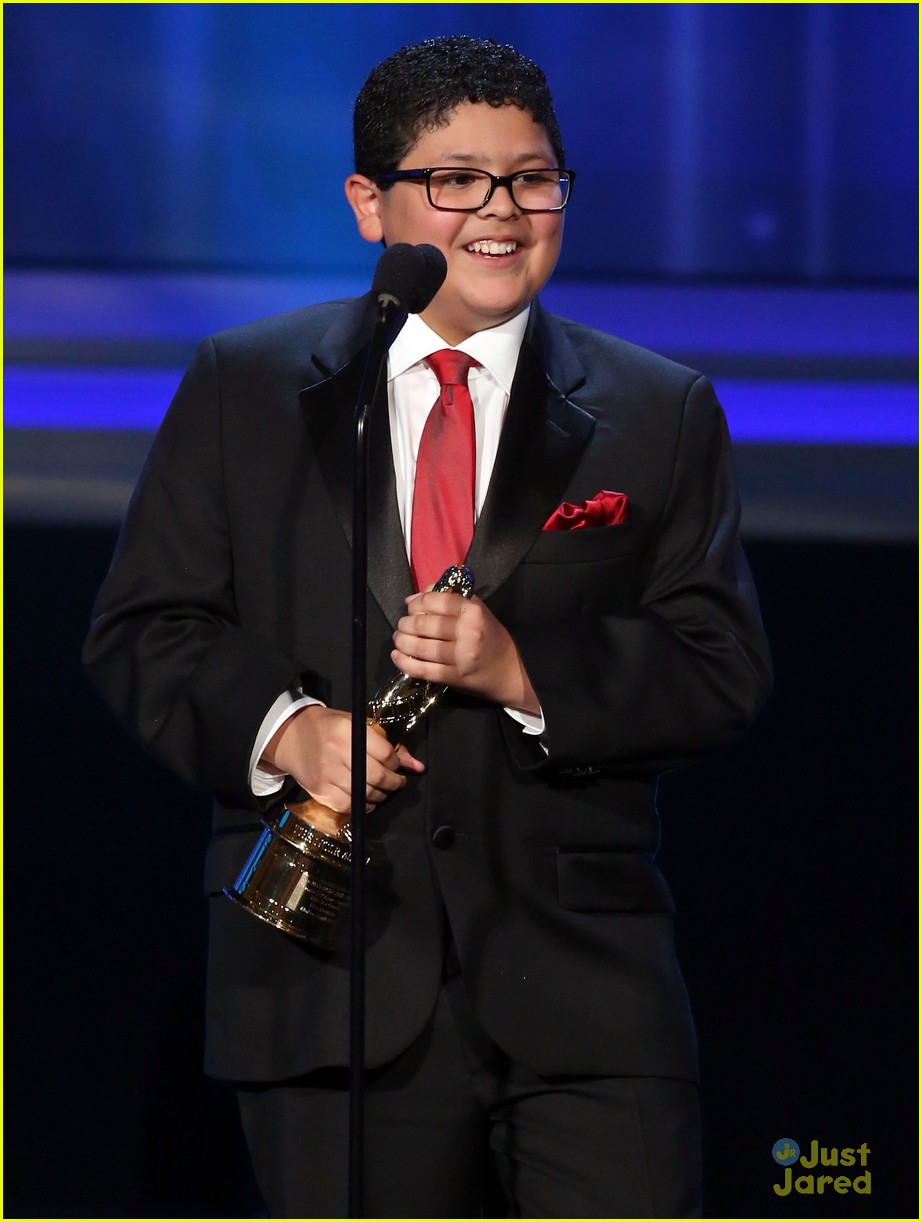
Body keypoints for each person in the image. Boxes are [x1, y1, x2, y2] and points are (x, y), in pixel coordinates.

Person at [84, 35, 772, 1218]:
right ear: (371, 203)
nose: (499, 212)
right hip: (327, 980)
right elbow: (146, 627)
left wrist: (521, 667)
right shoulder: (247, 387)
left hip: (586, 997)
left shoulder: (656, 411)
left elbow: (719, 665)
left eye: (531, 177)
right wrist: (288, 730)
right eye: (455, 180)